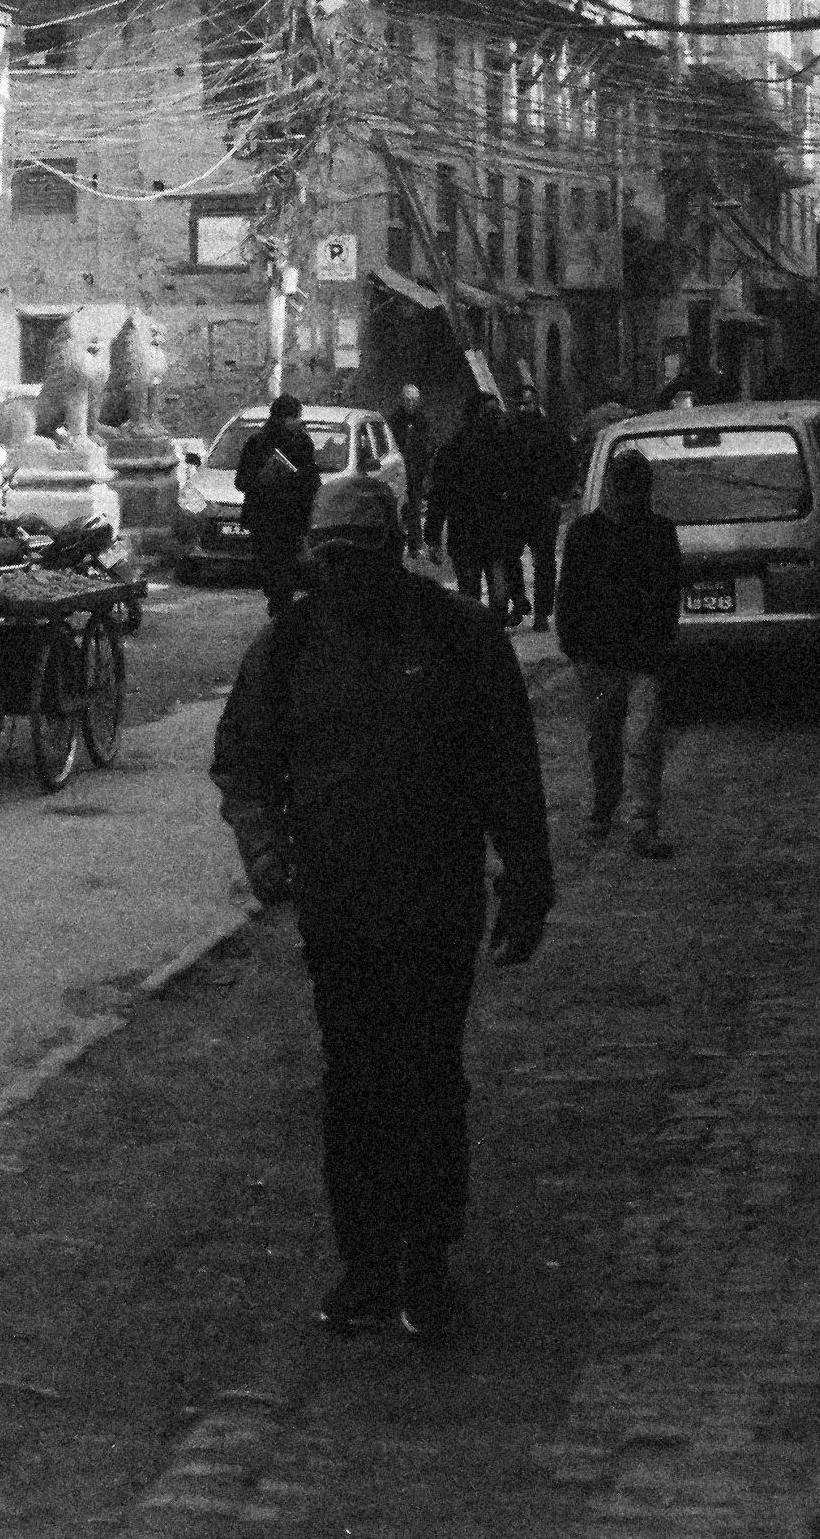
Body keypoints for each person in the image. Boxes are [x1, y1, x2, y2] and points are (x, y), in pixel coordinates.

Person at [211, 475, 554, 1344]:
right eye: (328, 561)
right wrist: (264, 851)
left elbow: (510, 773)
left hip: (435, 899)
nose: (344, 575)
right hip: (339, 904)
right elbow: (244, 763)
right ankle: (366, 1260)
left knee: (430, 1076)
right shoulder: (288, 645)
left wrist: (526, 880)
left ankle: (427, 1260)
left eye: (357, 558)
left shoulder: (459, 637)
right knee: (355, 1082)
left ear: (393, 551)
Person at [555, 446, 683, 858]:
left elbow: (570, 594)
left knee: (618, 739)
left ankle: (618, 815)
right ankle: (625, 816)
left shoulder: (589, 533)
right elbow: (667, 596)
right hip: (618, 653)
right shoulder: (654, 532)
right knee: (622, 740)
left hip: (612, 653)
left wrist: (572, 642)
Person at [424, 394, 520, 625]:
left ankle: (483, 638)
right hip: (478, 533)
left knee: (480, 595)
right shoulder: (459, 450)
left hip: (482, 534)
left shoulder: (502, 447)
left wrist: (433, 536)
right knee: (480, 594)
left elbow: (438, 496)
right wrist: (433, 537)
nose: (497, 418)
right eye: (491, 413)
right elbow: (439, 495)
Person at [233, 392, 322, 617]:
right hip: (278, 520)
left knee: (279, 575)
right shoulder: (260, 443)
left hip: (278, 521)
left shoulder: (298, 442)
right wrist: (264, 478)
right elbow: (243, 481)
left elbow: (311, 480)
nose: (299, 422)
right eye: (296, 417)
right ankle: (282, 615)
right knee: (281, 574)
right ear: (285, 418)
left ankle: (280, 612)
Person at [501, 390, 581, 632]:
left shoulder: (551, 431)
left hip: (543, 503)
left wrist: (560, 494)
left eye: (527, 404)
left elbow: (569, 461)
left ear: (536, 404)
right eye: (520, 404)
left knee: (544, 560)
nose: (524, 409)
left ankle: (542, 613)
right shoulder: (508, 431)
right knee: (509, 556)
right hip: (515, 504)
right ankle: (520, 600)